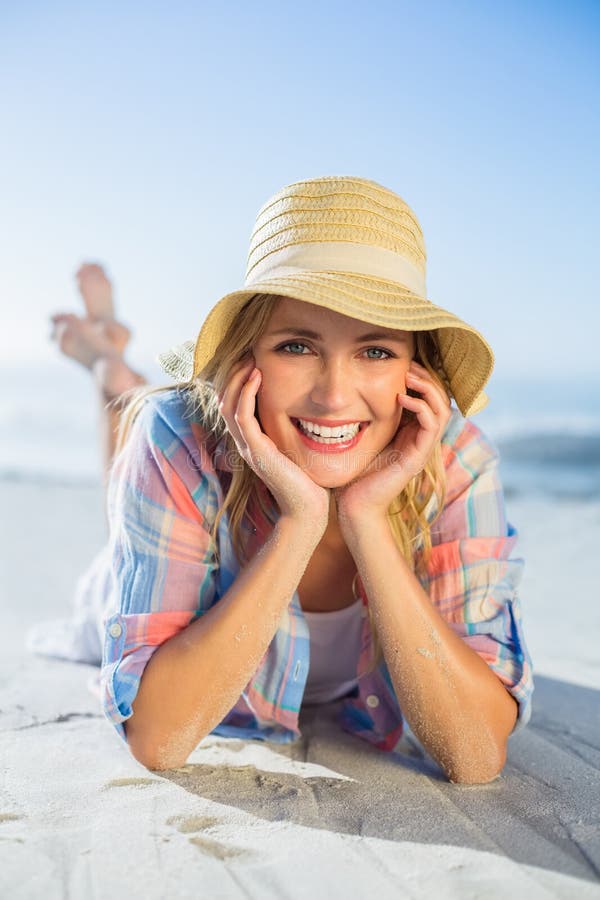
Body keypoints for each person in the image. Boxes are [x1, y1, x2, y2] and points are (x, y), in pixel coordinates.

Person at [28, 176, 533, 784]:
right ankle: (106, 361)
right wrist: (299, 521)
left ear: (414, 372)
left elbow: (475, 756)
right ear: (248, 359)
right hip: (127, 565)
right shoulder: (177, 436)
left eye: (375, 352)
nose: (334, 396)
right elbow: (159, 739)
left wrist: (366, 519)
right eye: (297, 346)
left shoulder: (456, 459)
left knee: (142, 411)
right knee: (140, 413)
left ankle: (110, 357)